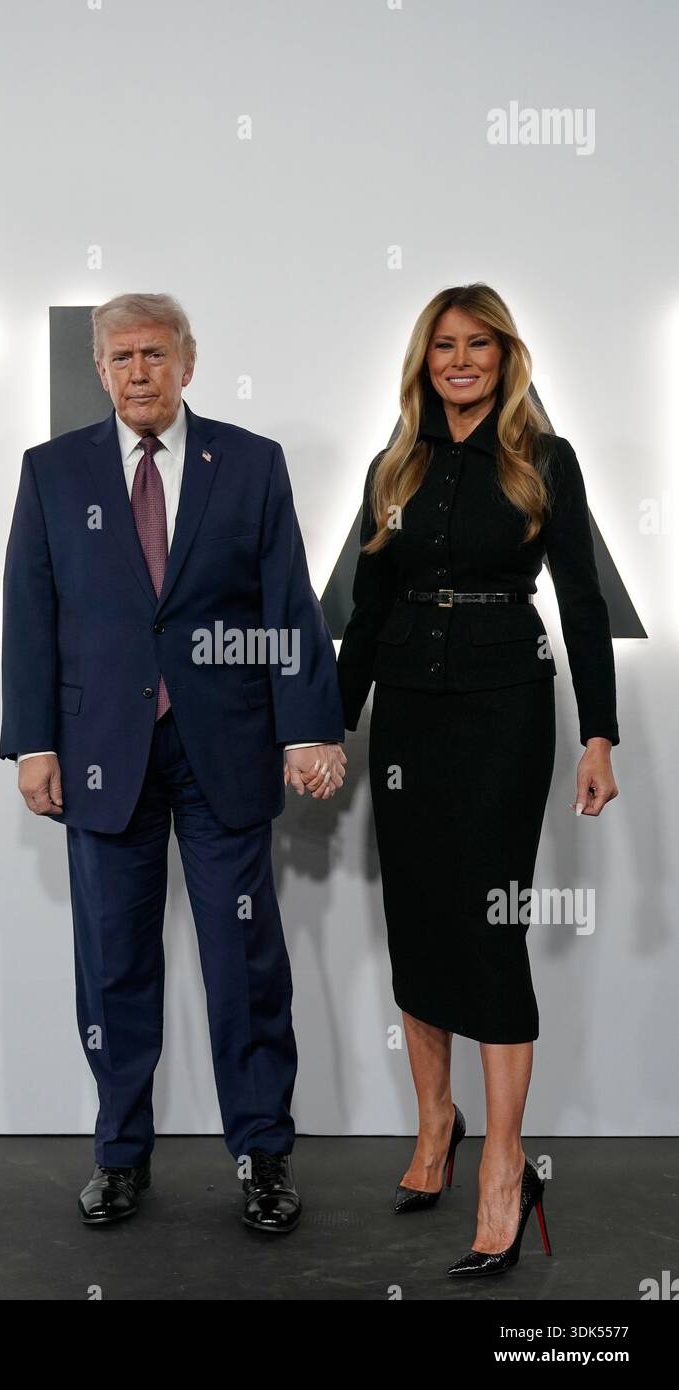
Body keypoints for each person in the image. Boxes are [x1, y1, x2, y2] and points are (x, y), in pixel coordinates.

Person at [0, 293, 346, 1233]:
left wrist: (307, 726)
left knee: (245, 958)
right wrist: (33, 742)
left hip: (223, 750)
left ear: (189, 363)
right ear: (100, 370)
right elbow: (32, 617)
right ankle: (119, 1157)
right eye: (120, 357)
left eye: (156, 353)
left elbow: (286, 602)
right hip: (99, 753)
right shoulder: (52, 471)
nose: (139, 371)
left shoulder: (250, 462)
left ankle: (263, 1155)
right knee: (113, 962)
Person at [337, 282, 619, 1277]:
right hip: (407, 706)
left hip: (504, 706)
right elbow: (366, 611)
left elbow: (580, 598)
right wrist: (332, 723)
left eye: (478, 345)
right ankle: (434, 1126)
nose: (459, 359)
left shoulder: (543, 458)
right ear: (423, 359)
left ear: (504, 356)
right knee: (415, 915)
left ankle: (504, 1163)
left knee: (488, 923)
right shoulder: (392, 465)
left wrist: (599, 735)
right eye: (443, 345)